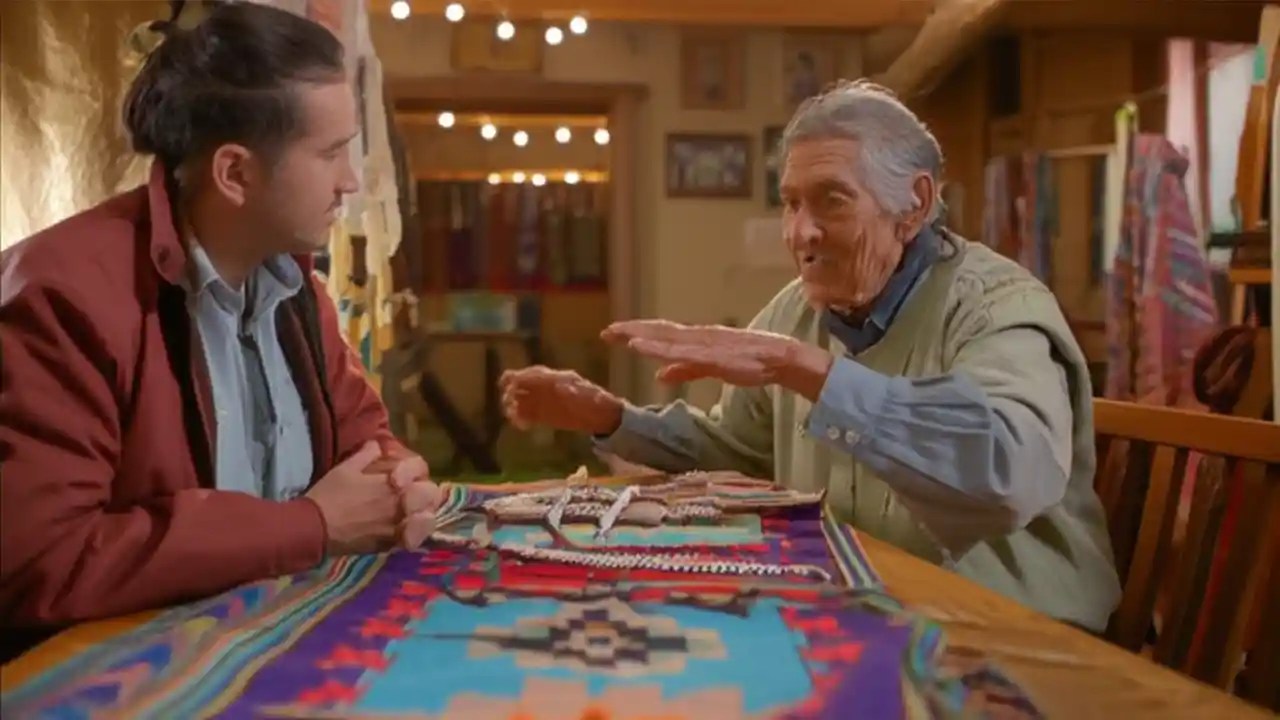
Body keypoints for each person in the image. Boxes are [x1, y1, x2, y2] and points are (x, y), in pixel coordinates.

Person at [501, 80, 1122, 631]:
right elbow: (739, 453)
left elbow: (1006, 470)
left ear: (915, 205)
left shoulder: (996, 307)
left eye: (832, 200)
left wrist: (808, 371)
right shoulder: (797, 309)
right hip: (871, 614)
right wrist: (611, 418)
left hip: (1015, 635)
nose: (801, 232)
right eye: (791, 202)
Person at [0, 2, 438, 656]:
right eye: (331, 154)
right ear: (235, 173)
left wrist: (400, 483)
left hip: (265, 655)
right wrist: (308, 527)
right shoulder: (64, 297)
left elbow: (366, 446)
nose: (351, 182)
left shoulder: (296, 291)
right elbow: (39, 561)